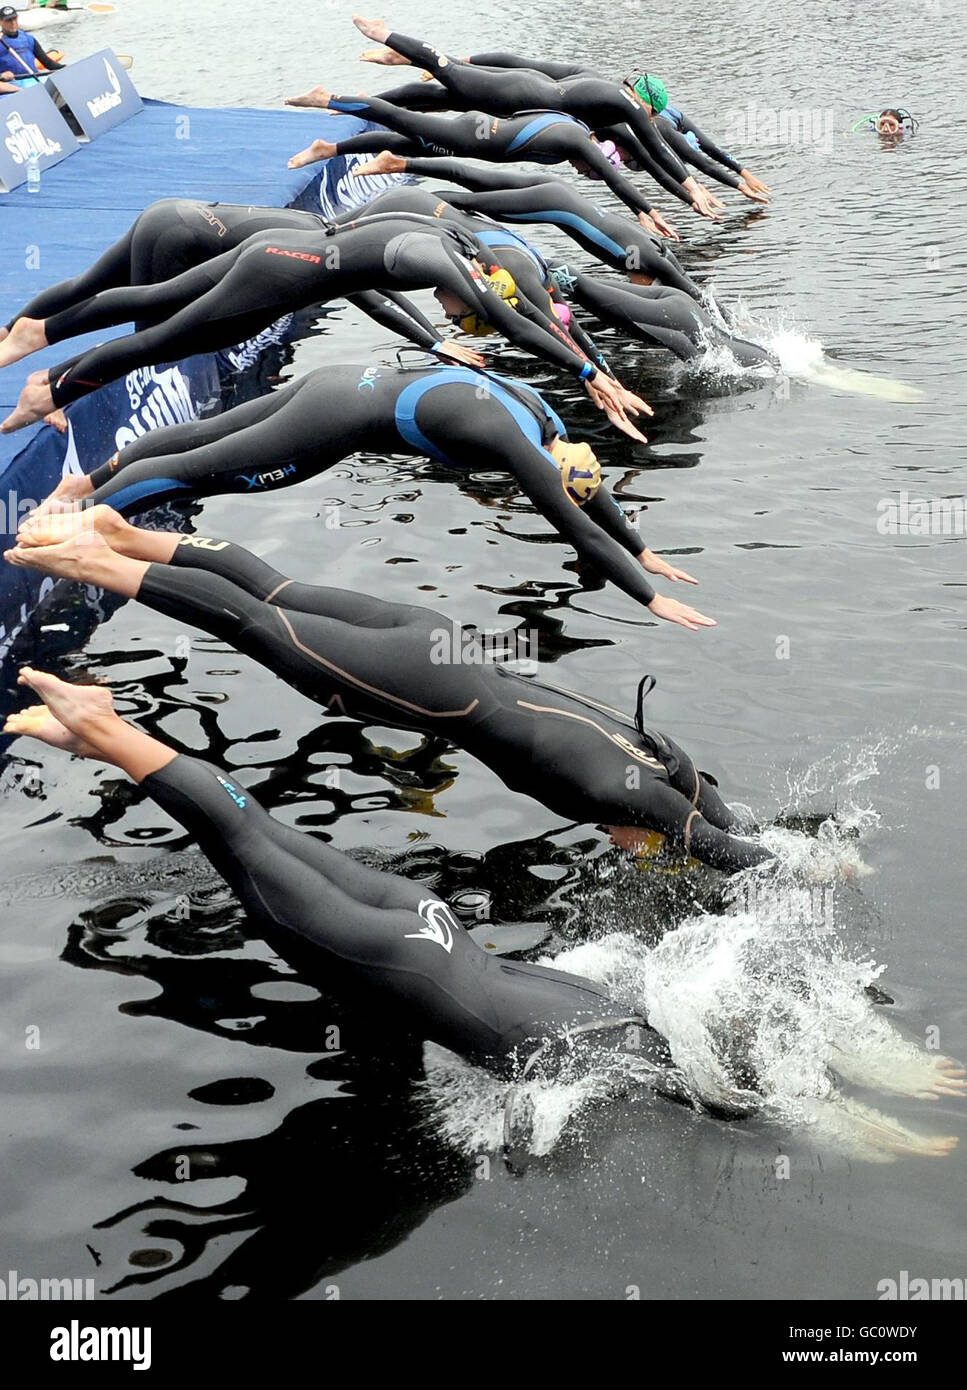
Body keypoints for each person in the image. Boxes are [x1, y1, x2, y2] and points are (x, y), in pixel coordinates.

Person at [6, 516, 760, 868]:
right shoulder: (645, 801)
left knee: (276, 590)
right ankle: (88, 562)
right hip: (430, 689)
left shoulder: (645, 758)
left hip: (440, 640)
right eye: (641, 848)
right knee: (253, 624)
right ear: (658, 816)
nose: (620, 850)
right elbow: (729, 850)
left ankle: (120, 533)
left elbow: (711, 815)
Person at [22, 363, 711, 625]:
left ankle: (81, 482)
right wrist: (648, 595)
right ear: (552, 466)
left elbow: (589, 504)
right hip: (329, 424)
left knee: (199, 435)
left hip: (336, 380)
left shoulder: (546, 417)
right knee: (199, 470)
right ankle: (68, 522)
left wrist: (641, 547)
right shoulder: (517, 446)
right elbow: (579, 527)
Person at [0, 211, 648, 437]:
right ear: (469, 293)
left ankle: (39, 335)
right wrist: (588, 370)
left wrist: (582, 356)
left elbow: (524, 307)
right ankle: (48, 389)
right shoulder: (433, 261)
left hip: (273, 251)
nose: (453, 315)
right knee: (166, 339)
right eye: (463, 316)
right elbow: (512, 317)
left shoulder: (454, 241)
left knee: (160, 298)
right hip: (278, 278)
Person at [0, 195, 488, 369]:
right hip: (177, 238)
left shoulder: (325, 228)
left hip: (171, 212)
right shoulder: (327, 253)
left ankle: (15, 331)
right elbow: (376, 303)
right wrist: (435, 341)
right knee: (148, 338)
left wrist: (434, 338)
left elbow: (379, 297)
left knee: (88, 284)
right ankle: (53, 381)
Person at [334, 17, 725, 219]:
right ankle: (386, 37)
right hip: (520, 94)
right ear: (644, 100)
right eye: (649, 111)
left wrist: (689, 191)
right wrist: (690, 190)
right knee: (448, 81)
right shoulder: (621, 105)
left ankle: (376, 93)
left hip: (522, 98)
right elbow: (656, 150)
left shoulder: (603, 105)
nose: (647, 118)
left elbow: (655, 159)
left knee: (443, 95)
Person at [351, 153, 703, 292]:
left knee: (478, 181)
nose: (640, 289)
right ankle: (398, 169)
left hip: (558, 195)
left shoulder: (649, 254)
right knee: (466, 200)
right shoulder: (650, 261)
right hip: (552, 203)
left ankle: (402, 165)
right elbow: (689, 294)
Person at [0, 4, 65, 78]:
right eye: (8, 20)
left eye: (14, 18)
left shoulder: (28, 38)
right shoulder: (1, 41)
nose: (13, 22)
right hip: (12, 84)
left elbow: (48, 63)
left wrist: (66, 68)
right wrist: (1, 76)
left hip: (34, 79)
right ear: (0, 22)